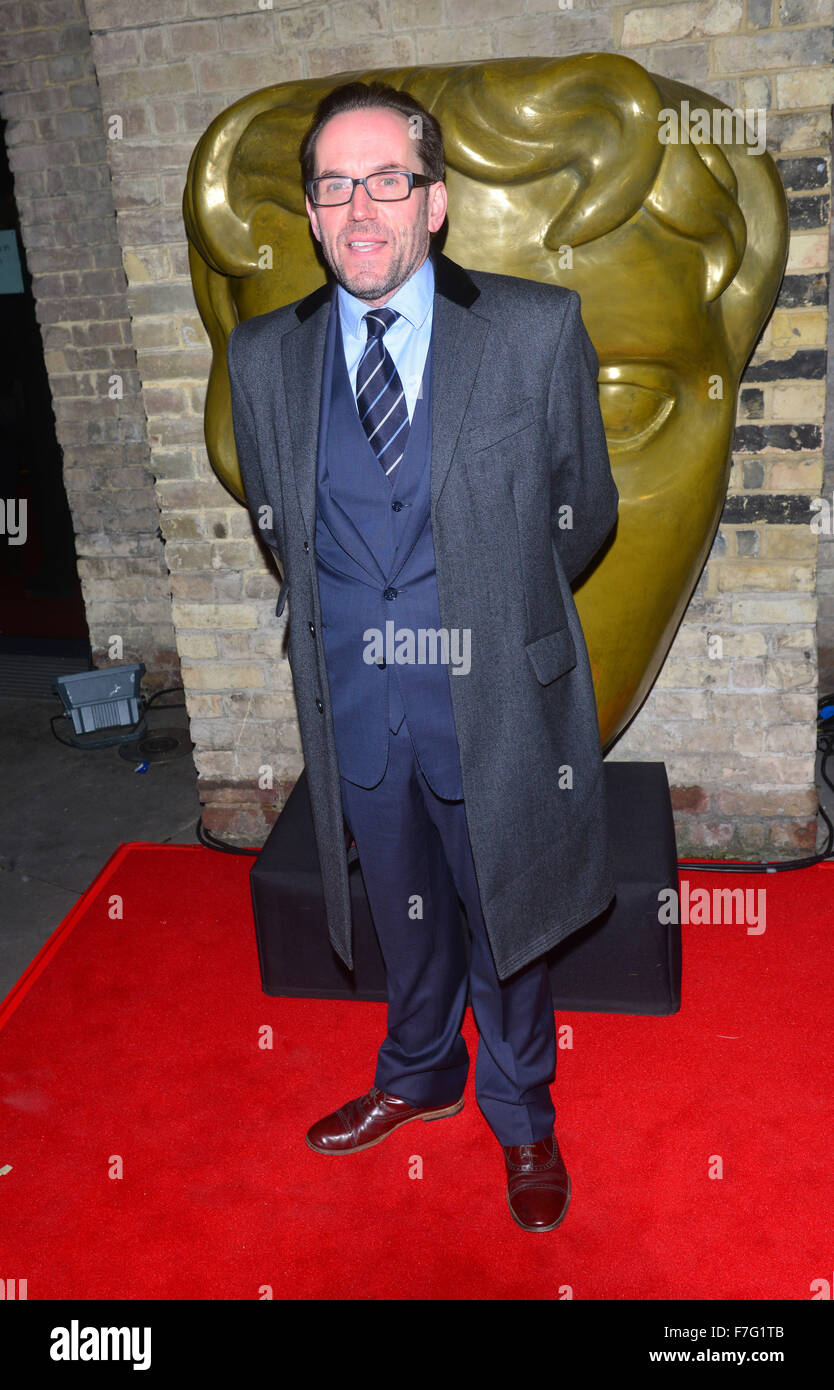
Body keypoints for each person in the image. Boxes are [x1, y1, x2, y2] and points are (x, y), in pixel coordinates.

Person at [227, 80, 619, 1232]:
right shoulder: (264, 357)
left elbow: (580, 513)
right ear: (309, 211)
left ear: (434, 203)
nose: (360, 209)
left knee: (511, 912)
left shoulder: (534, 328)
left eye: (386, 181)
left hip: (492, 697)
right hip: (355, 702)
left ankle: (523, 1111)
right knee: (403, 907)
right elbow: (275, 519)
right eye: (333, 186)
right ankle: (418, 1071)